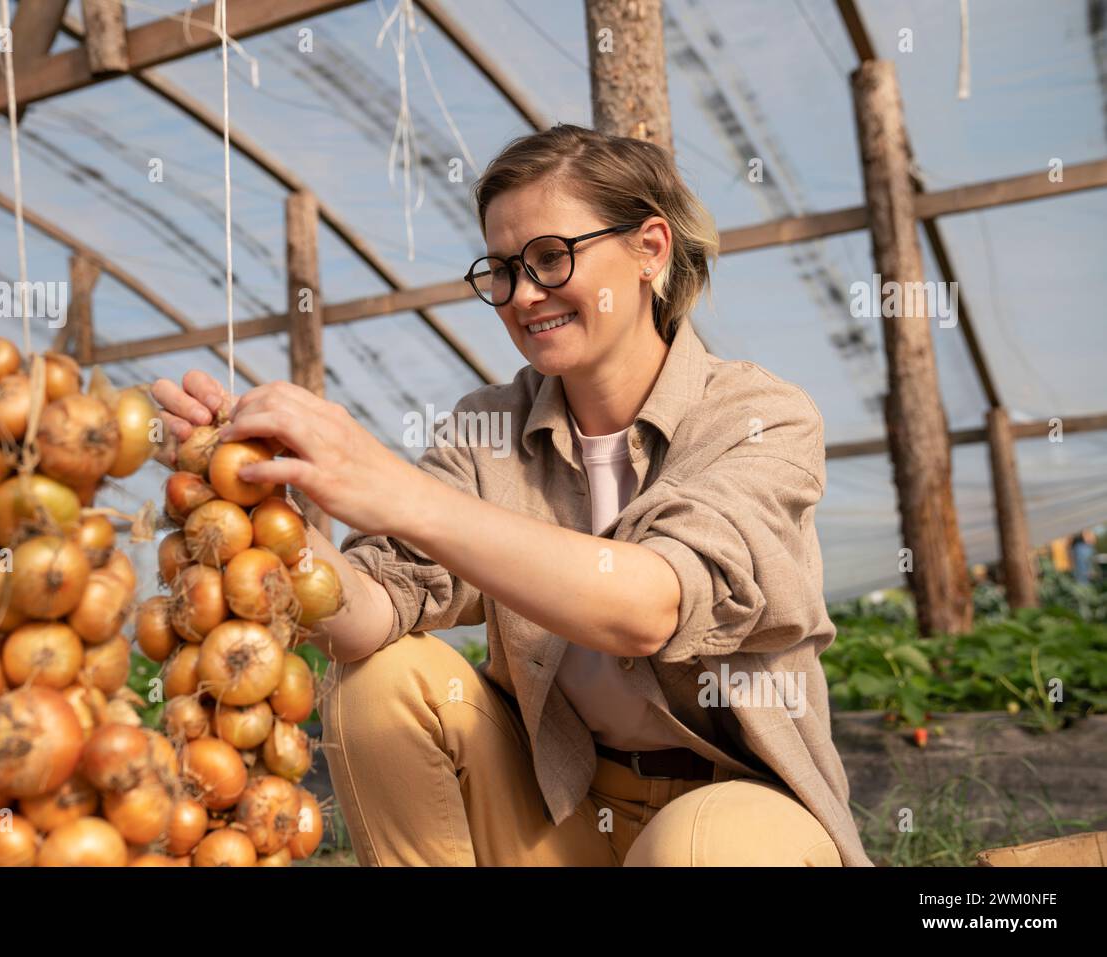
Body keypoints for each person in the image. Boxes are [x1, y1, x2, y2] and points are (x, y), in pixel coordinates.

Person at [152, 123, 872, 867]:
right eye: (500, 269)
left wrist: (393, 488)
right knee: (382, 680)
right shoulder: (487, 428)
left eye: (551, 258)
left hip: (737, 820)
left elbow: (652, 604)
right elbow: (371, 614)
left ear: (650, 249)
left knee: (695, 848)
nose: (523, 294)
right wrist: (278, 527)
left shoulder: (757, 414)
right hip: (560, 812)